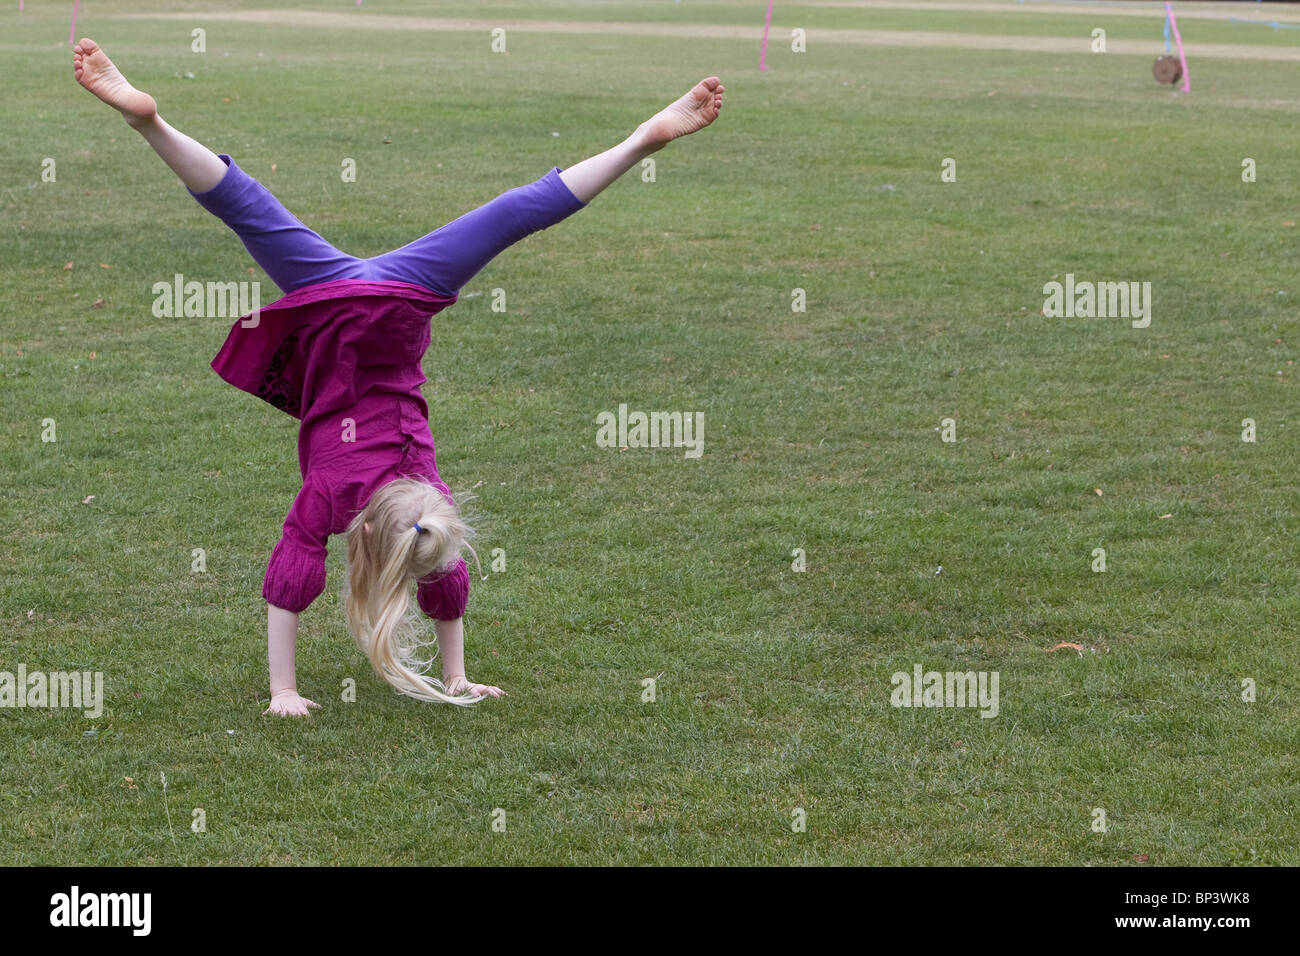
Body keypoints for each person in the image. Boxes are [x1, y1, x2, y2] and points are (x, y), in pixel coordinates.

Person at [73, 38, 724, 715]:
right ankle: (147, 121)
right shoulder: (336, 497)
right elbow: (305, 580)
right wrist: (290, 691)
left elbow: (402, 572)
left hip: (400, 294)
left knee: (503, 214)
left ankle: (148, 121)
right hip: (355, 300)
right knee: (255, 209)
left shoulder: (430, 493)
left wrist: (298, 691)